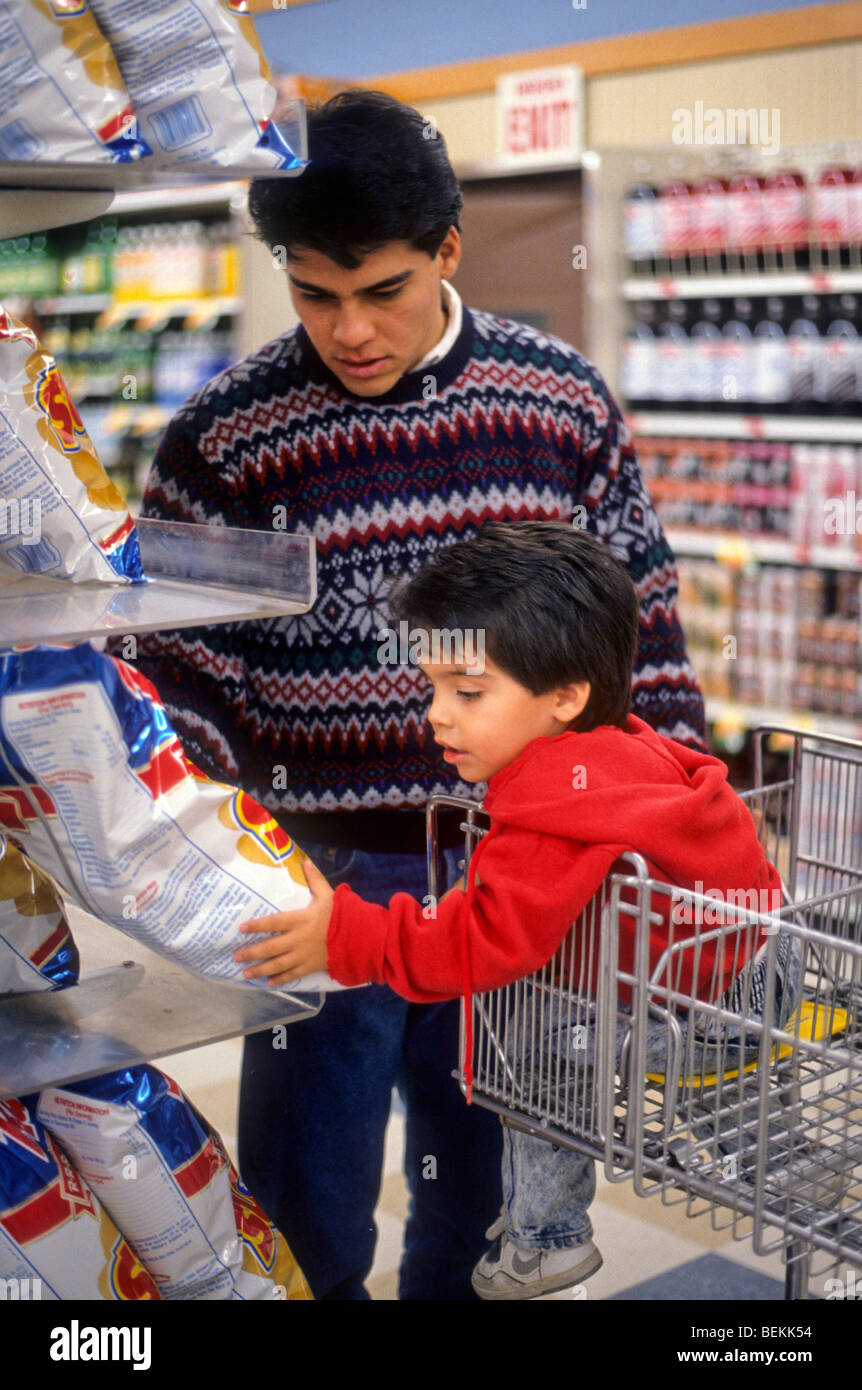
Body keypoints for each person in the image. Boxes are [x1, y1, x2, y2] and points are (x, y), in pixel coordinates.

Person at [117, 89, 707, 1300]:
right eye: (314, 292)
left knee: (487, 1216)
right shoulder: (227, 438)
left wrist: (656, 842)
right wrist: (211, 857)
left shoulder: (559, 405)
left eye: (381, 289)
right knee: (303, 1215)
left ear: (447, 249)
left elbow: (642, 641)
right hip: (319, 885)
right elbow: (177, 687)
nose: (351, 330)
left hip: (521, 877)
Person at [233, 520, 793, 1301]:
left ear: (566, 695)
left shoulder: (550, 805)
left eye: (466, 692)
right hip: (765, 971)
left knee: (524, 1057)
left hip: (706, 1012)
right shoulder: (624, 745)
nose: (437, 715)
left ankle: (548, 1238)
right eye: (430, 687)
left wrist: (347, 934)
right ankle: (766, 1139)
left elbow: (481, 945)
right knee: (580, 1040)